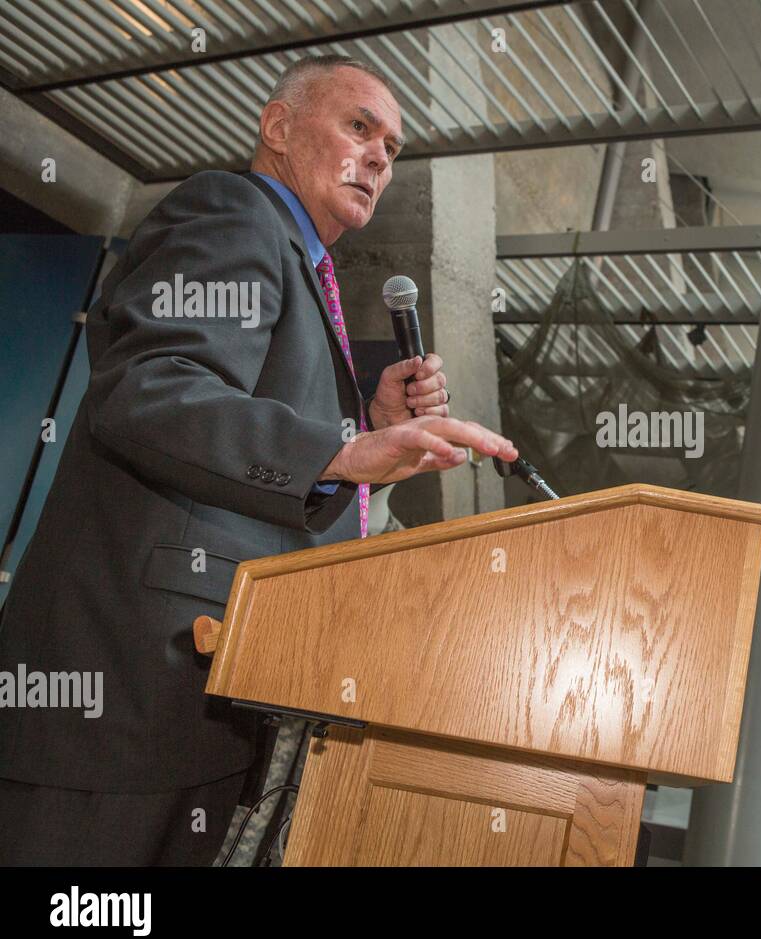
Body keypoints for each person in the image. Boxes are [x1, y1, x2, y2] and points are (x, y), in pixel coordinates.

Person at [0, 54, 518, 866]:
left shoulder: (305, 268)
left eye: (394, 147)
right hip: (125, 696)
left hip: (195, 703)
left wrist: (364, 436)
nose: (381, 155)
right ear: (278, 128)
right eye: (360, 127)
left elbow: (268, 477)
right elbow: (152, 389)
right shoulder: (233, 213)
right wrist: (341, 448)